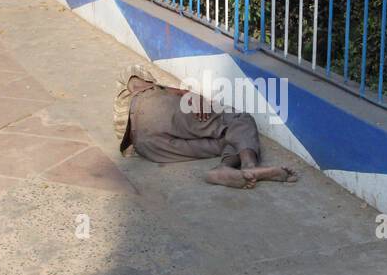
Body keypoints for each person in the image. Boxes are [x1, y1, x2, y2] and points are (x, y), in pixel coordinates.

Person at [114, 64, 297, 188]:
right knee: (237, 119)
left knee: (224, 140)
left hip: (147, 147)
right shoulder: (132, 83)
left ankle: (223, 169)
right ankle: (249, 164)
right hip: (152, 110)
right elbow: (144, 80)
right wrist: (190, 94)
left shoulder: (120, 111)